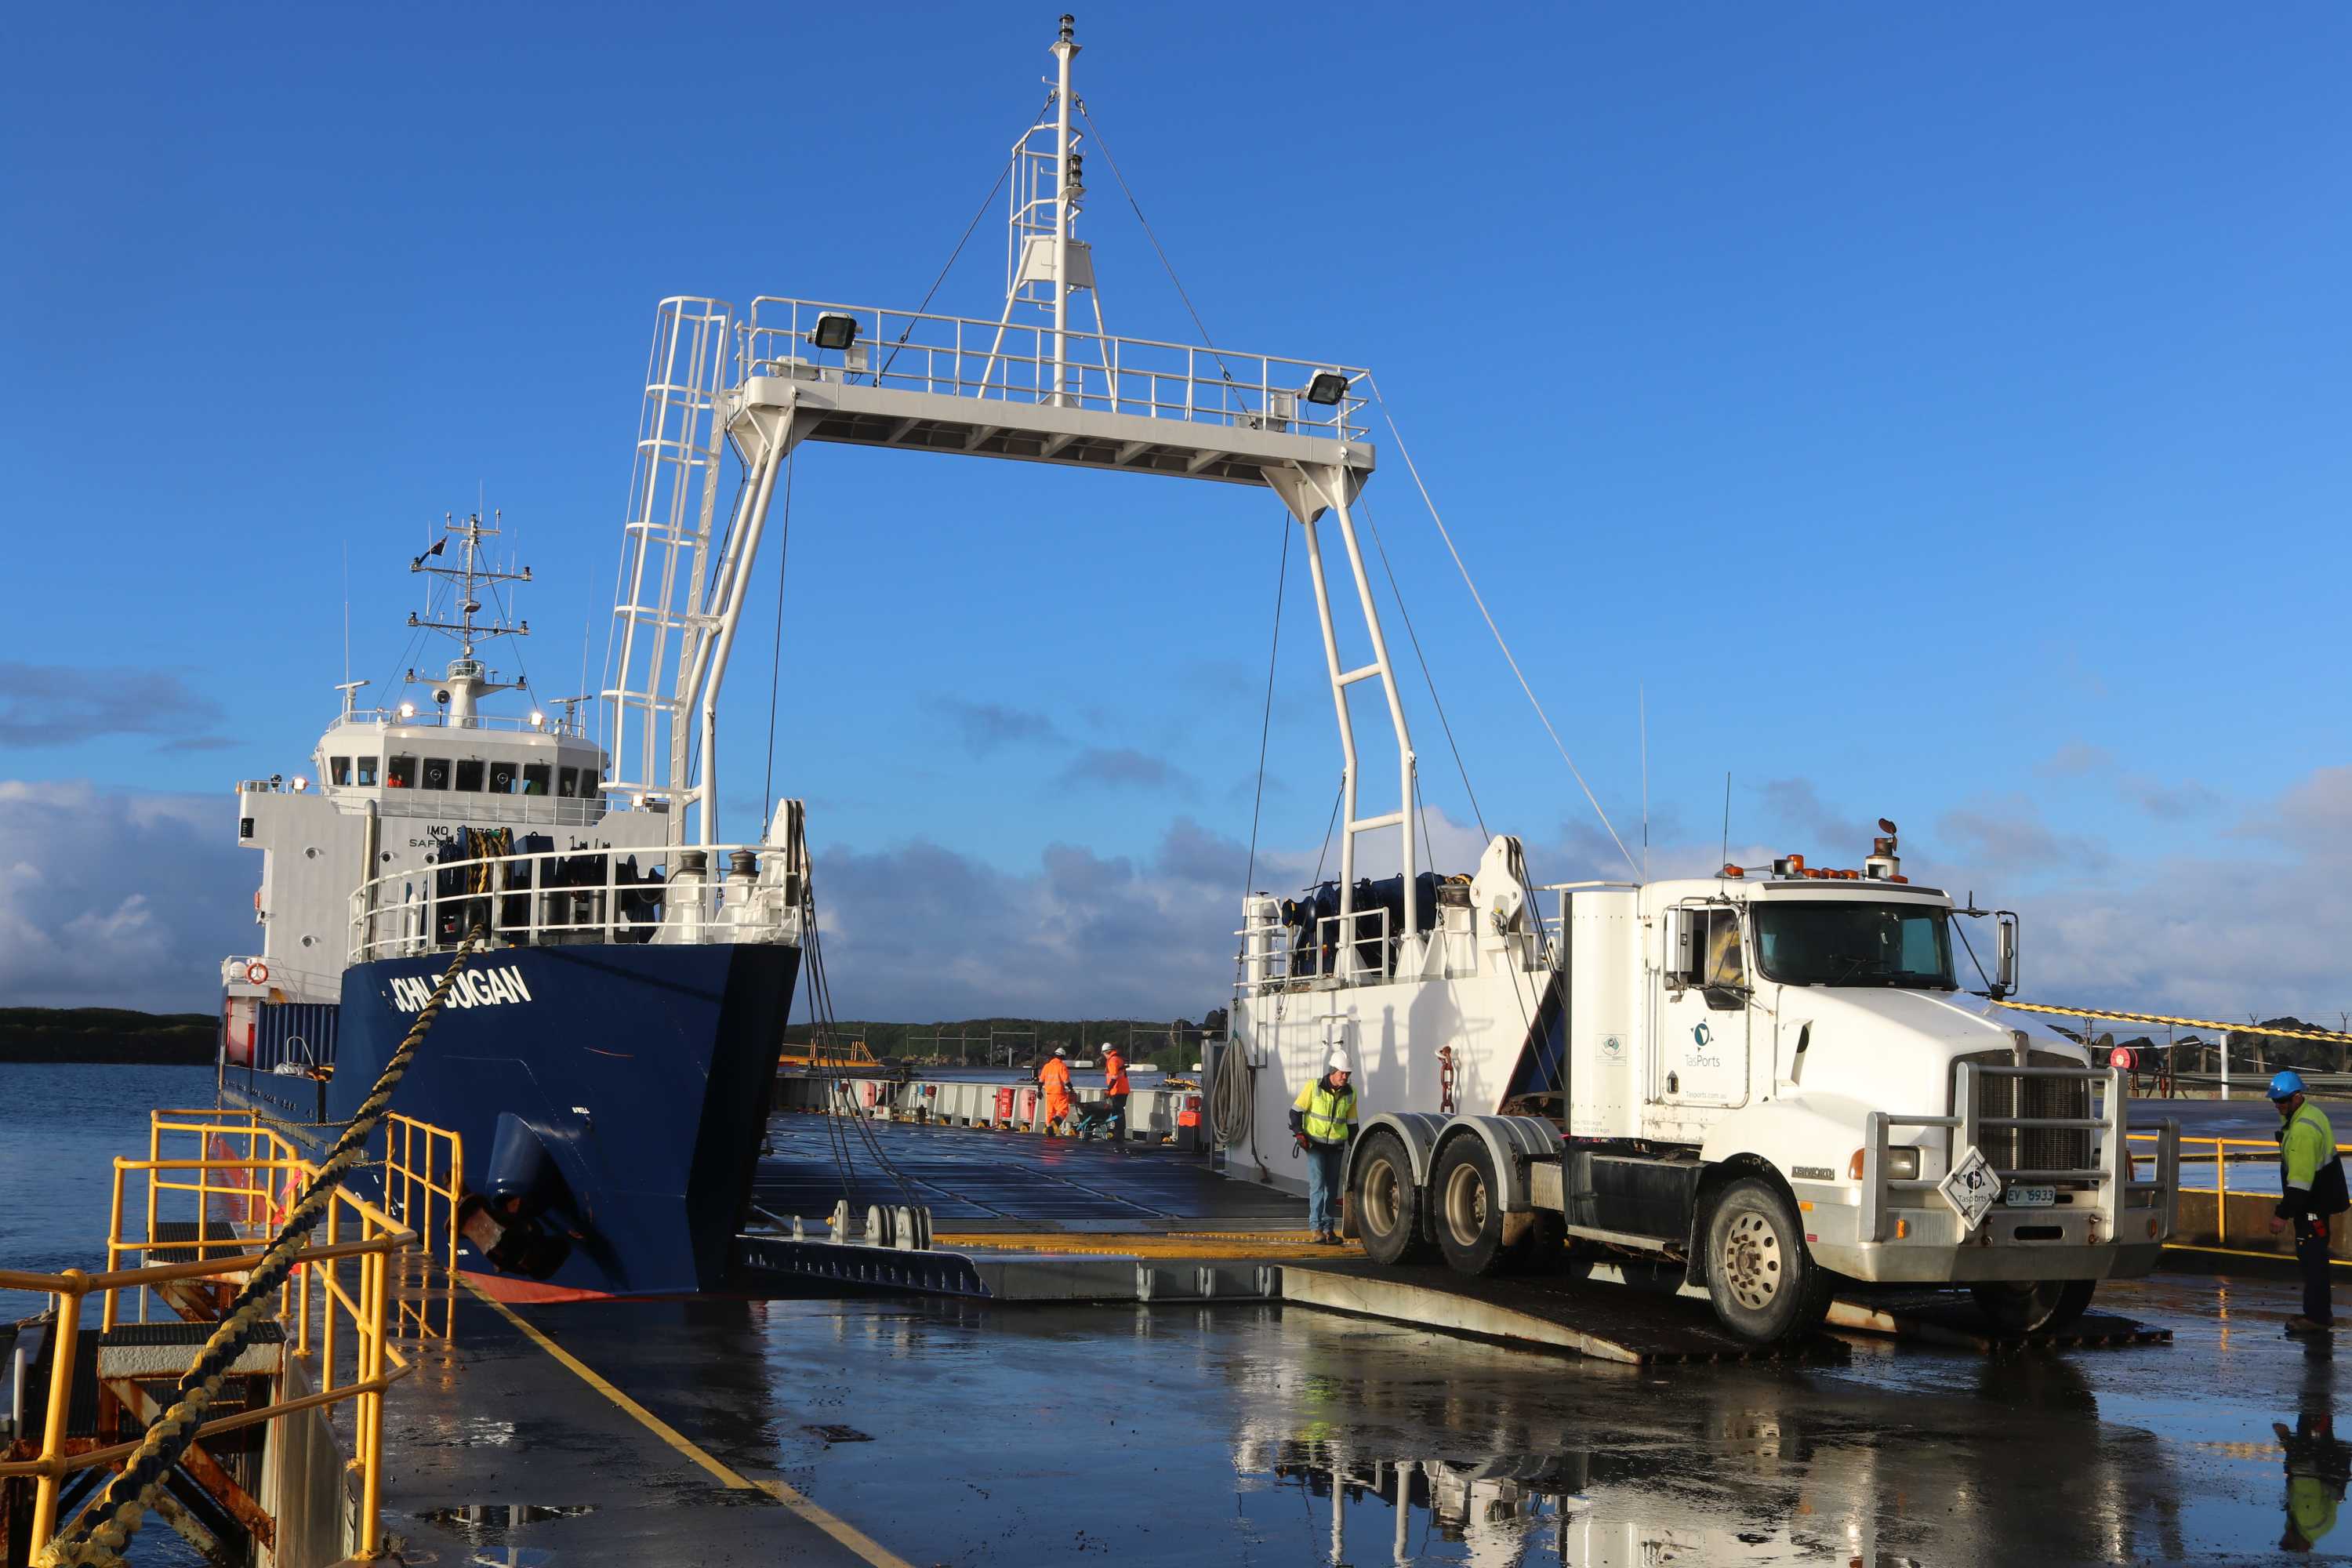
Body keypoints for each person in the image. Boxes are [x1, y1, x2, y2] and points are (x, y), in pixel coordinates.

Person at [2268, 1069, 2348, 1337]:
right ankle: (2319, 1313)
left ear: (2298, 1097)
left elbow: (2300, 1182)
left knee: (2312, 1260)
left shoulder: (2302, 1130)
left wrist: (2282, 1214)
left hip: (2312, 1206)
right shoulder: (2312, 1114)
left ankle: (2317, 1317)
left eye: (2282, 1101)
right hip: (2320, 1203)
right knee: (2317, 1259)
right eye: (2275, 1102)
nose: (2278, 1106)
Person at [1290, 1052, 1358, 1245]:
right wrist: (1299, 1133)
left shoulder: (1351, 1093)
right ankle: (1316, 1228)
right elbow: (1295, 1112)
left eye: (1347, 1074)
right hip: (1315, 1145)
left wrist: (1357, 1147)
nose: (1345, 1077)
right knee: (1318, 1186)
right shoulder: (1314, 1087)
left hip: (1336, 1147)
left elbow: (1353, 1124)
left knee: (1332, 1189)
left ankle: (1329, 1230)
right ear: (1332, 1071)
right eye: (1342, 1073)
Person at [1100, 1042, 1131, 1142]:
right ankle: (1119, 1134)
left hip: (1117, 1091)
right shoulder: (1118, 1059)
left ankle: (1119, 1135)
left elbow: (1114, 1077)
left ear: (1105, 1053)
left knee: (1118, 1113)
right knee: (1119, 1112)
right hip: (1122, 1090)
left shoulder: (1112, 1060)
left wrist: (1108, 1089)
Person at [1038, 1047, 1074, 1134]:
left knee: (1050, 1114)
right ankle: (1054, 1125)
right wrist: (1071, 1089)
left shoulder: (1047, 1066)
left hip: (1049, 1094)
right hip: (1059, 1094)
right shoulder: (1062, 1066)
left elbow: (1041, 1081)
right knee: (1063, 1111)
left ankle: (1049, 1130)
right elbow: (1066, 1081)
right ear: (1062, 1057)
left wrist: (1039, 1091)